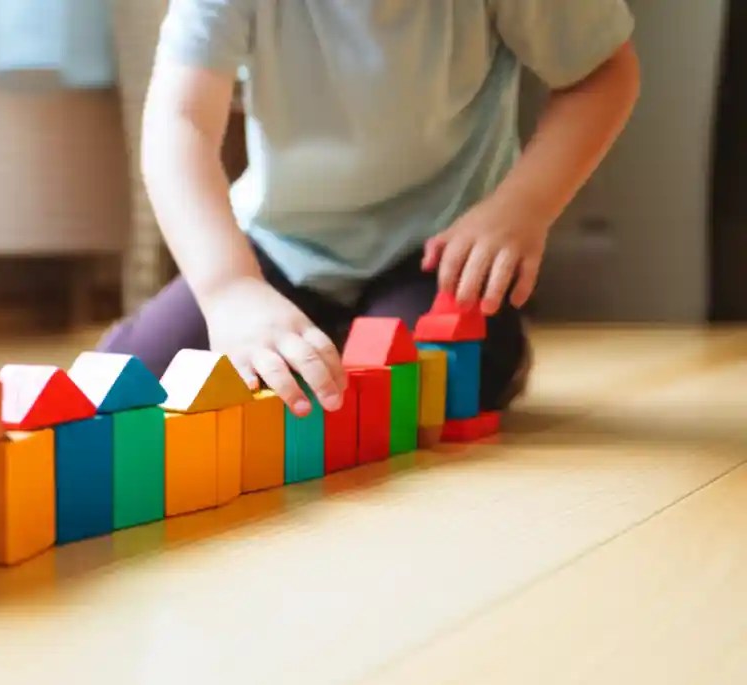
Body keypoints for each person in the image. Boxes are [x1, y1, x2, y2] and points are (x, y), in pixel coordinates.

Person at [98, 0, 640, 418]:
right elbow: (180, 121)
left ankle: (458, 350)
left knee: (419, 393)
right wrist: (230, 289)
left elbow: (602, 73)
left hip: (437, 249)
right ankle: (318, 330)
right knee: (127, 383)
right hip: (279, 246)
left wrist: (521, 207)